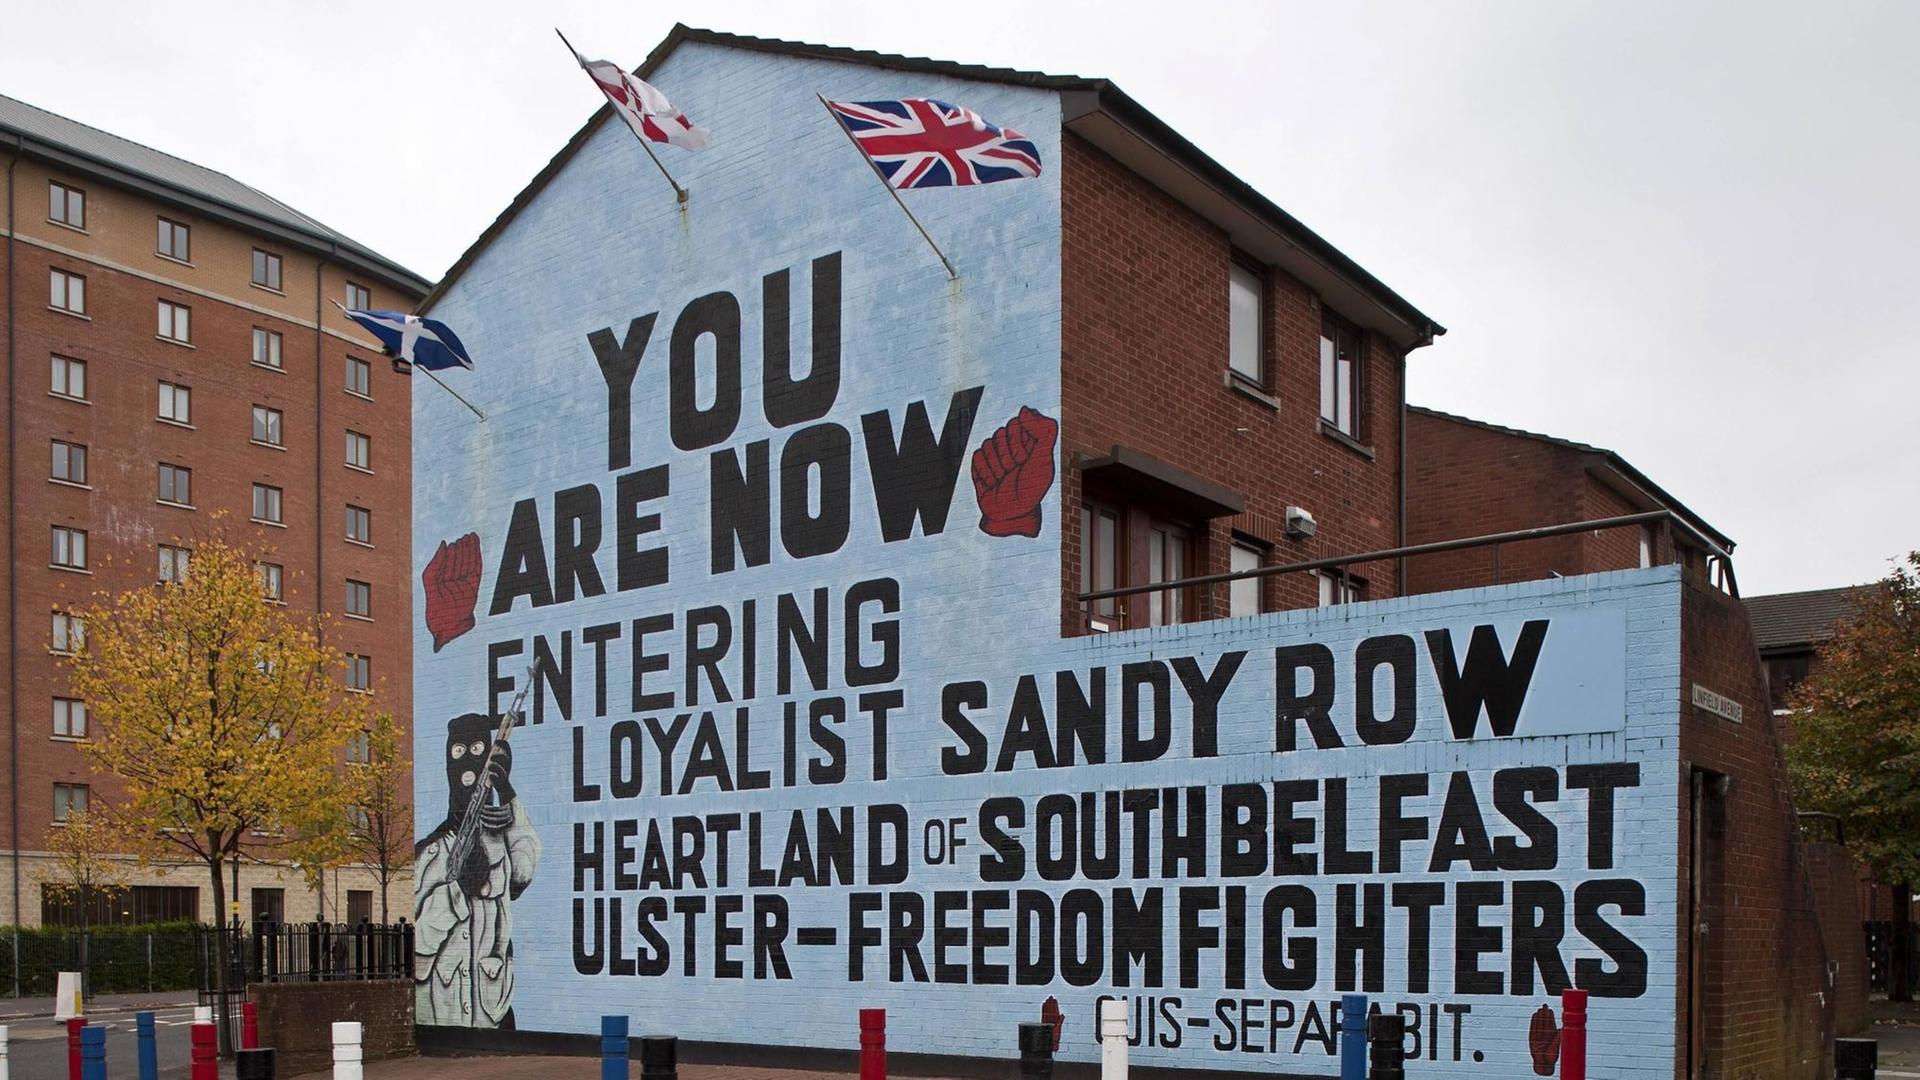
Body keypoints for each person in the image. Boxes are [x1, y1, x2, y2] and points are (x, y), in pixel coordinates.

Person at [412, 712, 539, 1028]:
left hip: (492, 1009)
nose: (468, 764)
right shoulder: (432, 851)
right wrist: (458, 890)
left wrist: (507, 794)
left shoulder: (500, 841)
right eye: (459, 752)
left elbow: (524, 868)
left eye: (478, 751)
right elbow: (421, 943)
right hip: (446, 1010)